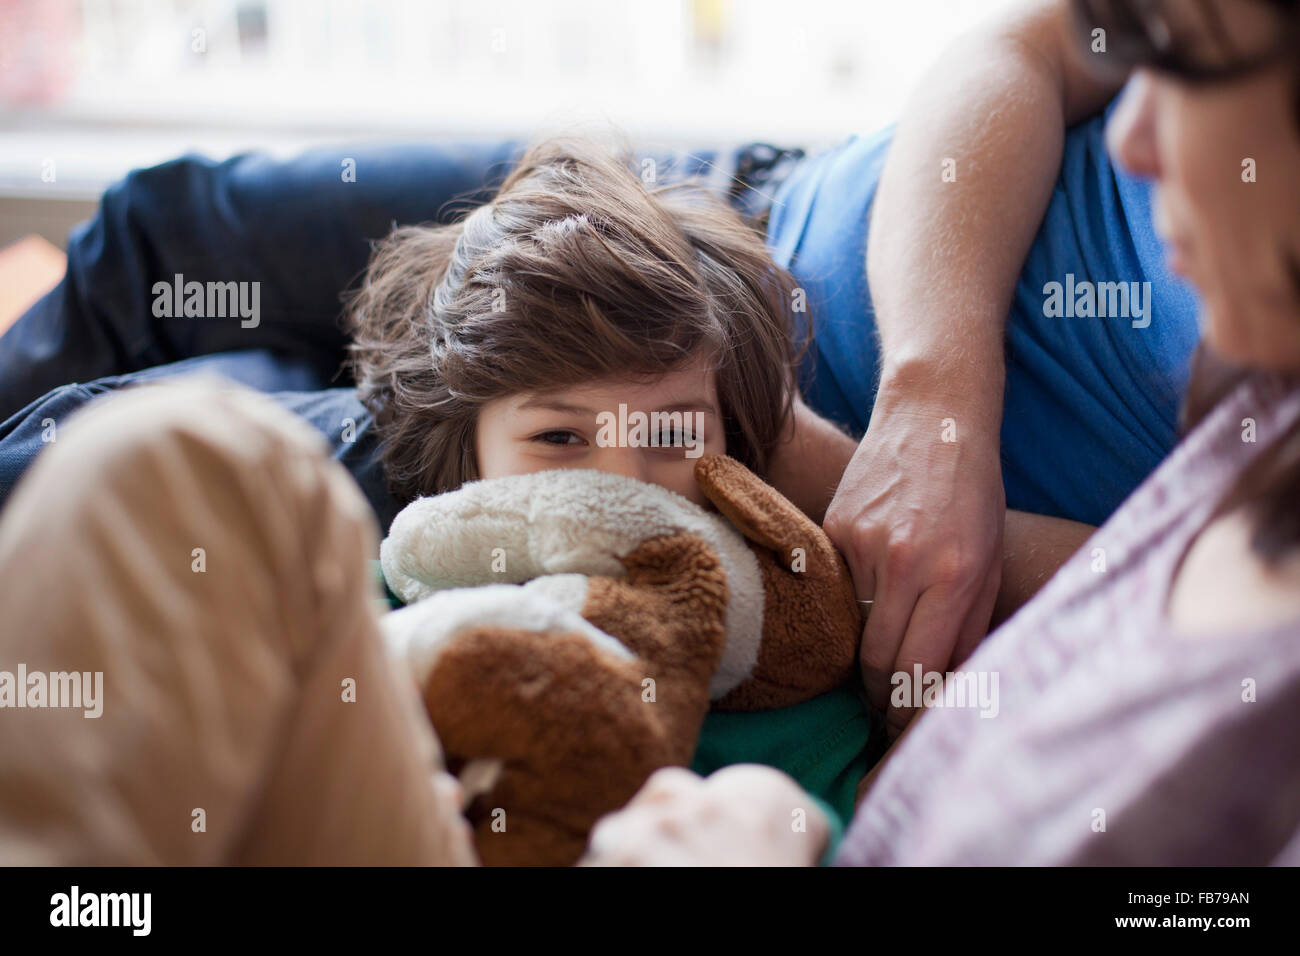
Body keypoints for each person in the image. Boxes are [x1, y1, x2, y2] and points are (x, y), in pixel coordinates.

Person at [0, 136, 1089, 863]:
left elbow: (862, 810)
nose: (619, 483)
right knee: (145, 437)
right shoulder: (398, 577)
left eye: (670, 434)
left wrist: (775, 818)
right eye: (560, 438)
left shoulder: (790, 664)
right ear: (461, 466)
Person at [582, 0, 1300, 866]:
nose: (1130, 143)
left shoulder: (1261, 362)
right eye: (1144, 56)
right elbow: (1017, 47)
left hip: (747, 492)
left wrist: (799, 467)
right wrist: (932, 400)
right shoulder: (1261, 386)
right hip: (723, 240)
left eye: (1187, 72)